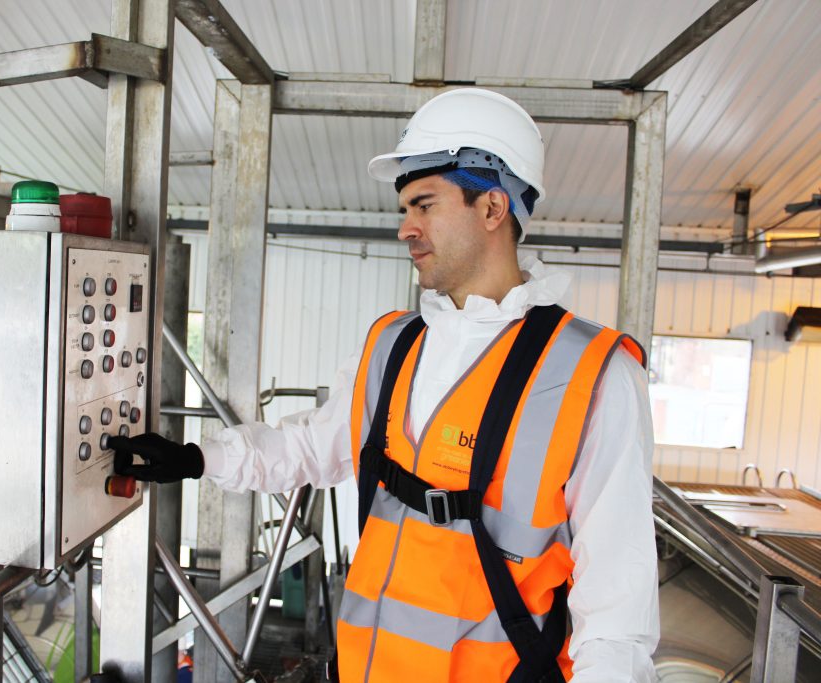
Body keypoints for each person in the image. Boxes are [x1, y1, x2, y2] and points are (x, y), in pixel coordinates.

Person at [109, 88, 659, 682]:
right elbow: (312, 446)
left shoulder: (593, 376)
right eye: (404, 209)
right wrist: (197, 458)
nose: (405, 229)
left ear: (492, 207)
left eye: (424, 205)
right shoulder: (393, 345)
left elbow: (616, 614)